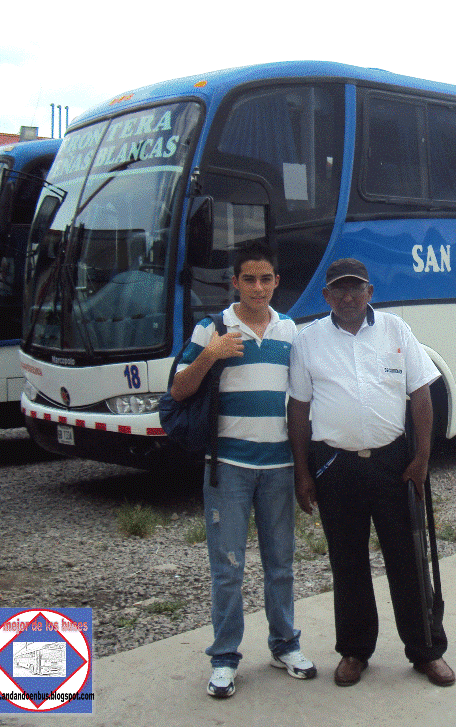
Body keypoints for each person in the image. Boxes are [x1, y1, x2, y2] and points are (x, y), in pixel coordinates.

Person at [287, 257, 455, 687]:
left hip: (392, 465)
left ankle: (425, 651)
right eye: (338, 290)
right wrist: (303, 473)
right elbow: (299, 408)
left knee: (409, 561)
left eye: (355, 288)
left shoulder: (397, 331)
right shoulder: (308, 341)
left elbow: (421, 394)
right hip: (335, 466)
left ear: (370, 293)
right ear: (326, 296)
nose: (347, 297)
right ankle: (355, 652)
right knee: (348, 564)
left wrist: (422, 457)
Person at [171, 241, 316, 698]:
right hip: (228, 467)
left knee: (281, 564)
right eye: (248, 279)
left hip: (278, 465)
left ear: (276, 282)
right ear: (235, 282)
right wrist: (210, 353)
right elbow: (178, 391)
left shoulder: (291, 332)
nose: (258, 287)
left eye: (266, 279)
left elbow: (302, 398)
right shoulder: (211, 328)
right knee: (228, 567)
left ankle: (285, 645)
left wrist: (303, 467)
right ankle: (224, 659)